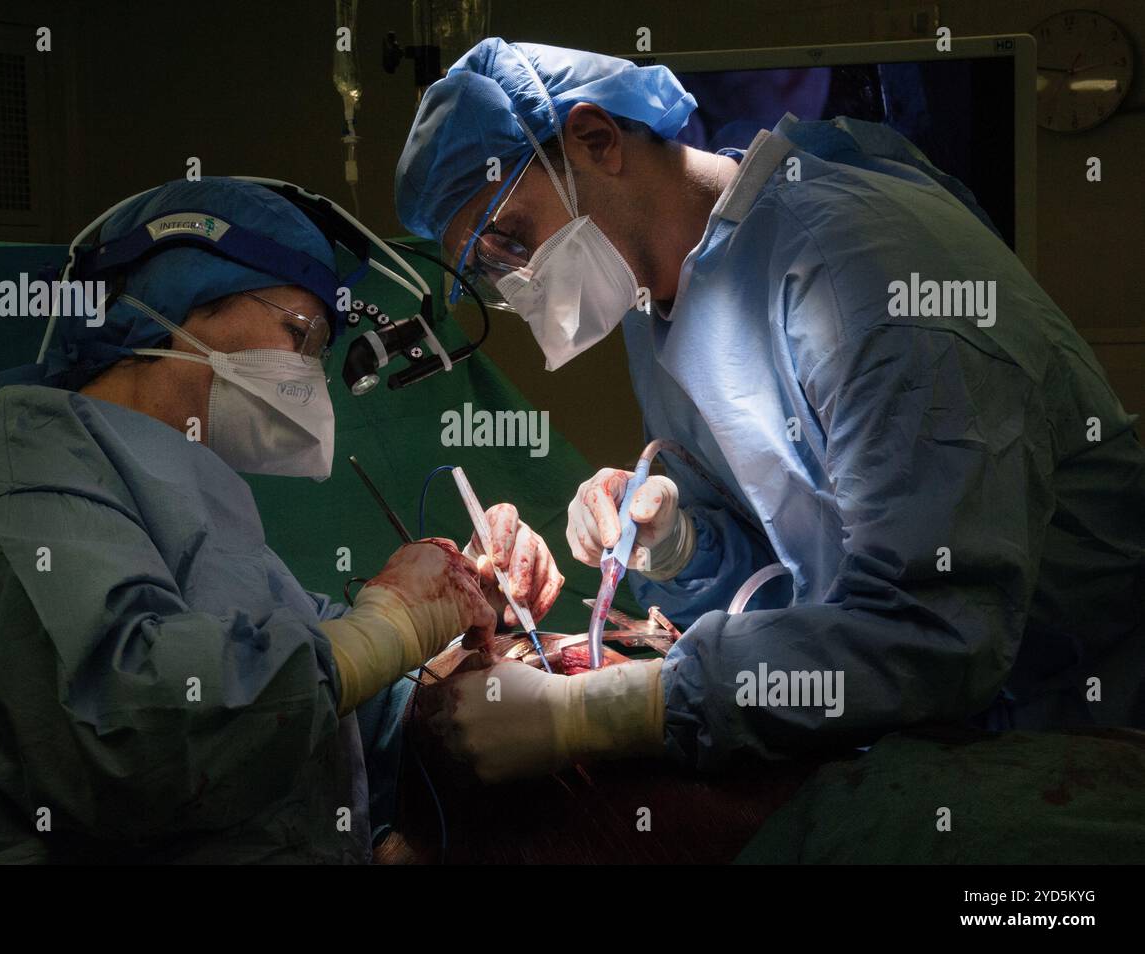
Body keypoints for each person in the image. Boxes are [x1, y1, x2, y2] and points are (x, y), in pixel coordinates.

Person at [396, 40, 1145, 783]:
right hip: (911, 737)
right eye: (487, 270)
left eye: (510, 239)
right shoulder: (661, 298)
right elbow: (808, 582)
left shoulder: (869, 273)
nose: (515, 281)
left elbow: (938, 635)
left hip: (1075, 742)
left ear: (596, 140)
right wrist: (685, 546)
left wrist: (605, 712)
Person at [0, 176, 562, 861]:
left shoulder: (195, 507)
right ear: (188, 297)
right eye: (301, 334)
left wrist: (452, 618)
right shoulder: (20, 463)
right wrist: (391, 623)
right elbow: (138, 734)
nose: (310, 374)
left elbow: (314, 706)